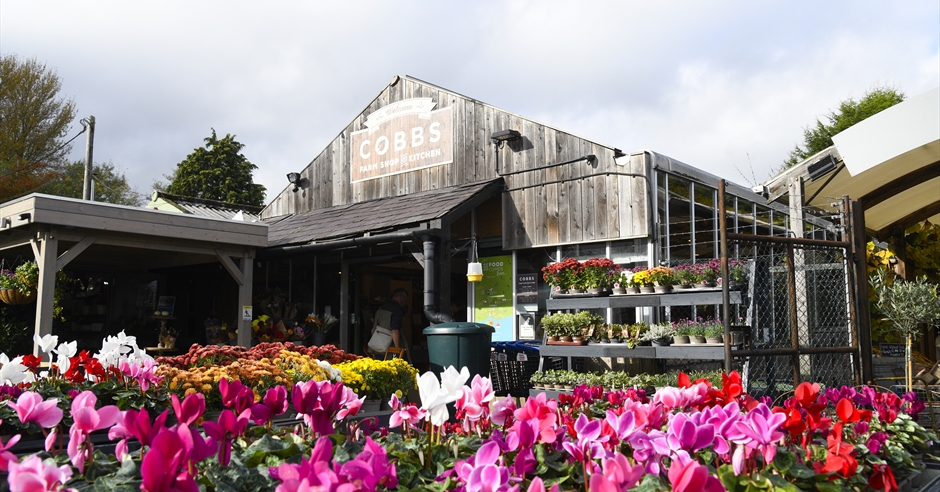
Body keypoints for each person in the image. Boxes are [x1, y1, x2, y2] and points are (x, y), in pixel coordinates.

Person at [372, 288, 408, 353]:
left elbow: (373, 329)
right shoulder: (397, 309)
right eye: (405, 300)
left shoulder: (381, 308)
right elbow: (395, 330)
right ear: (401, 298)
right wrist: (397, 350)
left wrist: (373, 351)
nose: (404, 303)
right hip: (389, 348)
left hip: (377, 347)